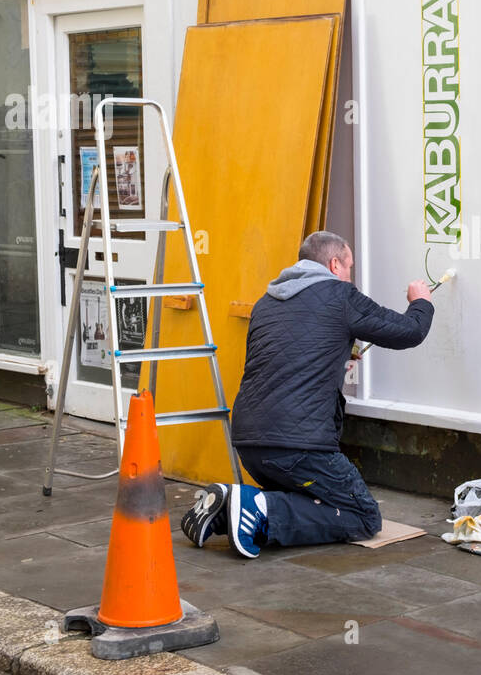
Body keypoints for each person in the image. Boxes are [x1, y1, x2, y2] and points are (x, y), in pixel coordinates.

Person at [180, 231, 434, 557]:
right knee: (363, 516)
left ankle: (230, 507)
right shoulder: (340, 295)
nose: (349, 276)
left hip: (250, 443)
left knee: (311, 500)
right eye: (349, 267)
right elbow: (408, 331)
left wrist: (339, 349)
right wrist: (421, 301)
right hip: (300, 449)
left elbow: (289, 356)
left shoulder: (266, 302)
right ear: (333, 264)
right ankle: (260, 507)